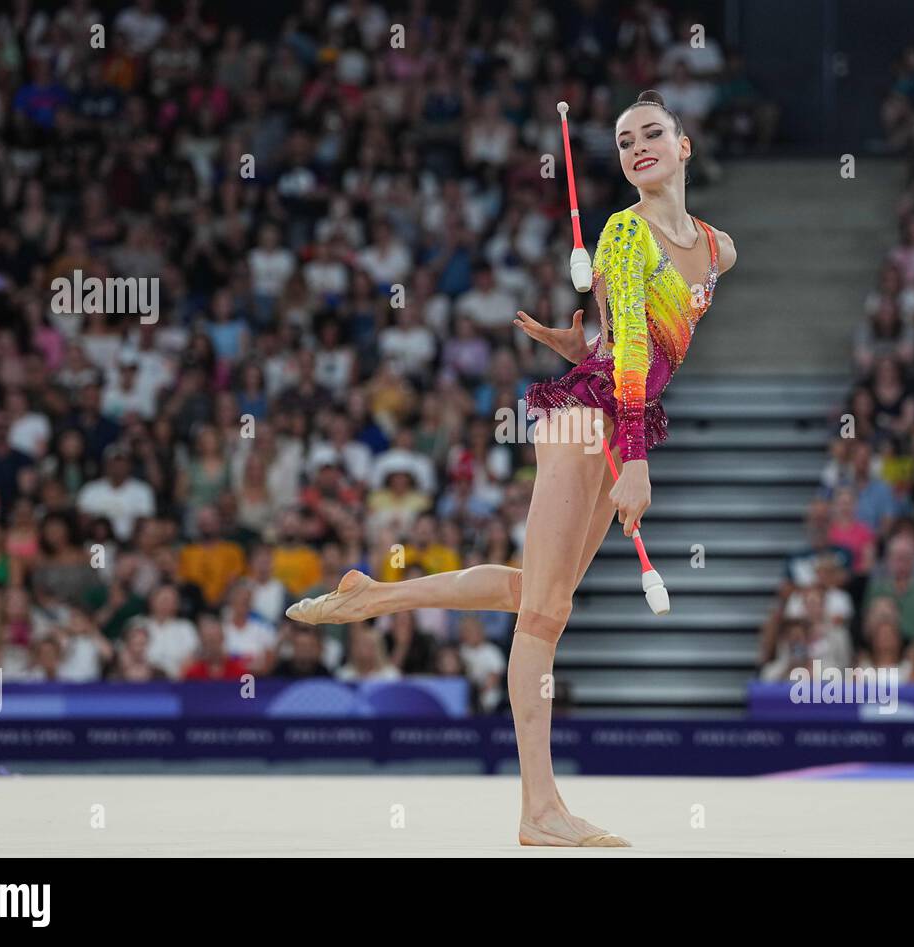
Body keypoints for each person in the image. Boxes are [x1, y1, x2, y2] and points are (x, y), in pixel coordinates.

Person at [286, 90, 736, 846]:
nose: (637, 148)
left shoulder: (720, 247)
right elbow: (630, 353)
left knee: (537, 593)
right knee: (545, 616)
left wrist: (581, 348)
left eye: (653, 134)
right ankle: (538, 808)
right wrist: (634, 459)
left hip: (611, 401)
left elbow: (634, 335)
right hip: (586, 418)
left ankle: (371, 597)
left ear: (685, 147)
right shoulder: (623, 233)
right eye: (625, 142)